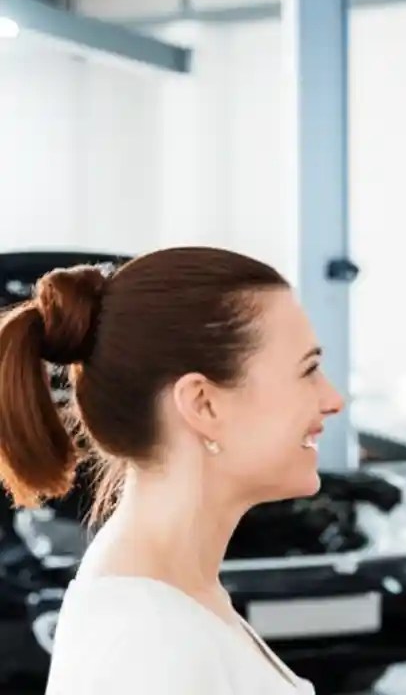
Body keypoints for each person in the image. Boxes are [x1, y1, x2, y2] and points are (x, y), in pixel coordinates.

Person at [0, 247, 345, 694]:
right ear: (203, 403)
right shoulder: (147, 638)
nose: (333, 398)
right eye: (309, 370)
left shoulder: (177, 599)